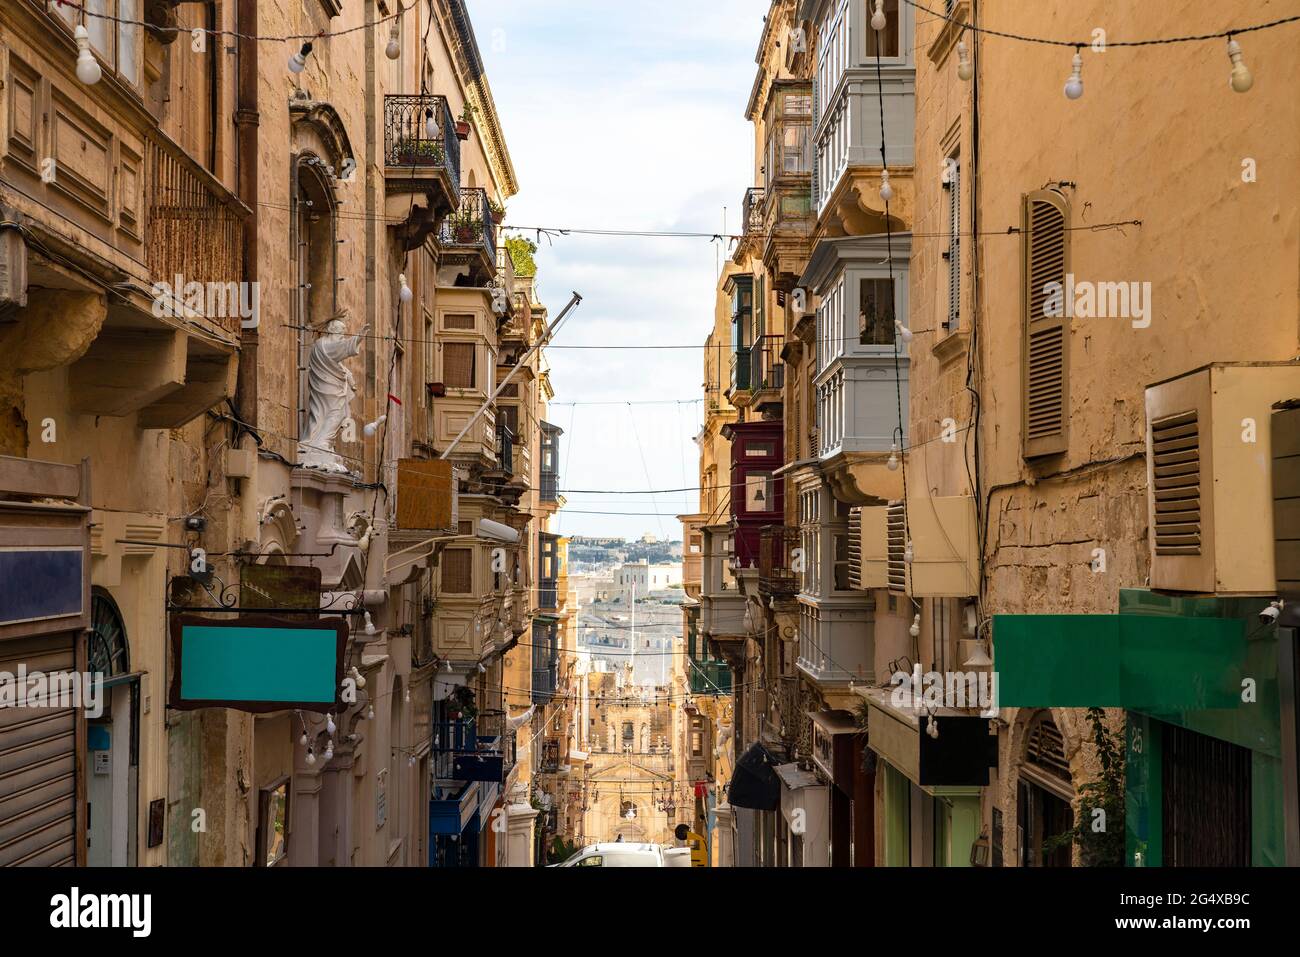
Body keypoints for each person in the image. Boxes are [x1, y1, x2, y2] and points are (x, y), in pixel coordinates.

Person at [300, 311, 369, 471]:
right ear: (331, 330)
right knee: (336, 414)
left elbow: (336, 363)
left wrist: (348, 376)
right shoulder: (326, 346)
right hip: (329, 388)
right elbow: (343, 348)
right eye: (340, 332)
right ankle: (320, 443)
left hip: (323, 387)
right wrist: (359, 336)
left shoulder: (320, 345)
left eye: (344, 332)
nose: (342, 335)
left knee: (318, 414)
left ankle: (312, 442)